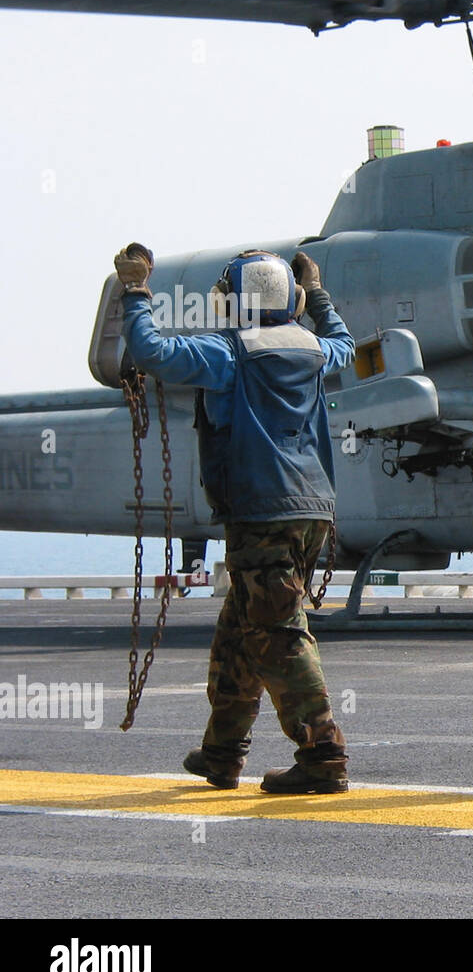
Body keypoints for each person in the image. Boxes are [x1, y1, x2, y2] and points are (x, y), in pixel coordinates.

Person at [113, 243, 355, 794]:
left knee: (278, 633)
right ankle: (222, 754)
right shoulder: (315, 349)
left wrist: (135, 292)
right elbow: (343, 341)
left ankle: (323, 757)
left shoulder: (228, 353)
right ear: (292, 300)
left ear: (232, 302)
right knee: (240, 635)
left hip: (261, 513)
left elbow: (151, 351)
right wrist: (318, 295)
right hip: (311, 511)